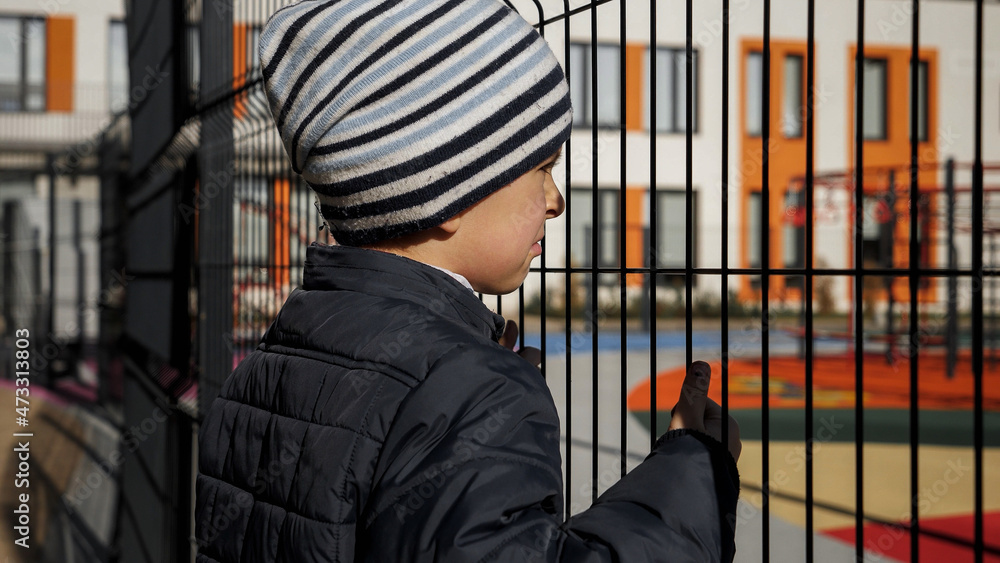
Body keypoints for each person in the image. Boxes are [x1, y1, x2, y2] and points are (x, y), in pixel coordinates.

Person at [194, 0, 741, 561]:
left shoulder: (265, 365)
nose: (555, 202)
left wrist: (477, 408)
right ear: (445, 190)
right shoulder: (471, 391)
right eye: (542, 170)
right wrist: (695, 466)